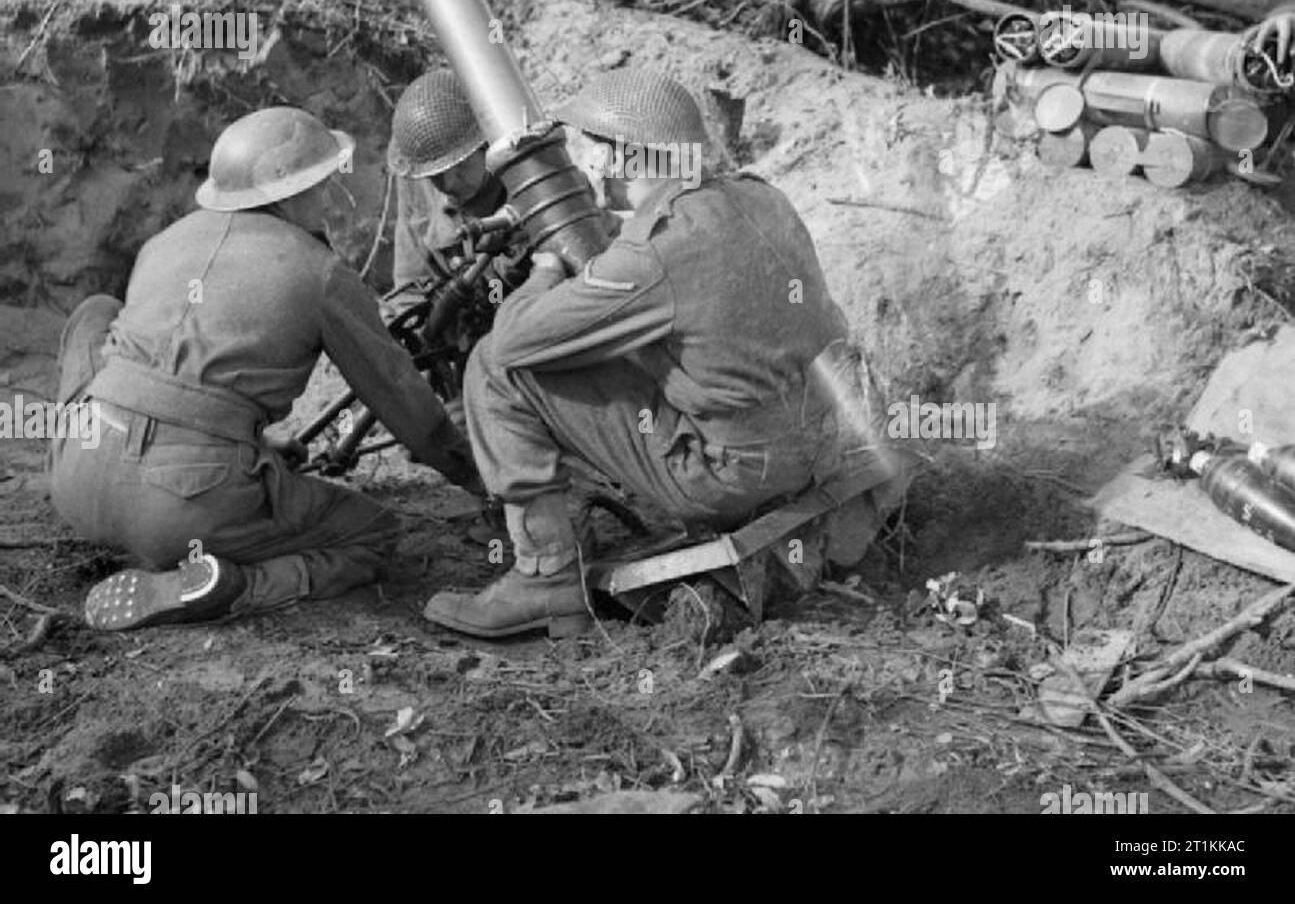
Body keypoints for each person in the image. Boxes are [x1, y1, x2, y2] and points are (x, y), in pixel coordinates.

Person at [422, 70, 899, 640]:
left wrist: (547, 266)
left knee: (491, 368)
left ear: (629, 155)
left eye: (595, 150)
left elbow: (515, 341)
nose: (590, 166)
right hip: (822, 442)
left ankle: (544, 576)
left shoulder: (654, 257)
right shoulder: (759, 198)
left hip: (729, 477)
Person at [50, 106, 469, 631]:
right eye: (320, 183)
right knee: (372, 533)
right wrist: (480, 477)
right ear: (292, 191)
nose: (328, 195)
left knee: (95, 313)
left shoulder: (162, 243)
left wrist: (258, 448)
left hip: (76, 477)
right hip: (180, 510)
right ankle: (233, 585)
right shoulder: (321, 273)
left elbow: (170, 381)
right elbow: (407, 409)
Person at [385, 69, 528, 342]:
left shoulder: (525, 167)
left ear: (487, 144)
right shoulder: (419, 166)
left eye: (460, 166)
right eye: (435, 175)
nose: (448, 183)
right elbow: (409, 284)